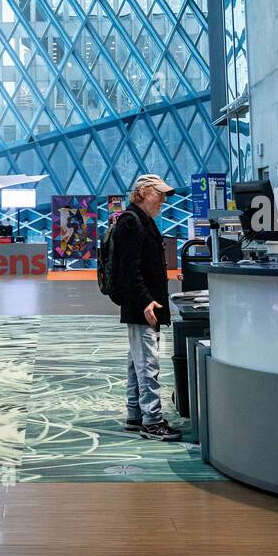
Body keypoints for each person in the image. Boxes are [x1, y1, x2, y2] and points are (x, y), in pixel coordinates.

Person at [112, 175, 182, 442]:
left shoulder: (141, 220)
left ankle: (135, 413)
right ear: (142, 192)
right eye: (159, 194)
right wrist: (145, 300)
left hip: (145, 303)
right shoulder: (132, 222)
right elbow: (129, 267)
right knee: (147, 363)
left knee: (138, 361)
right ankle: (152, 421)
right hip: (144, 305)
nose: (163, 200)